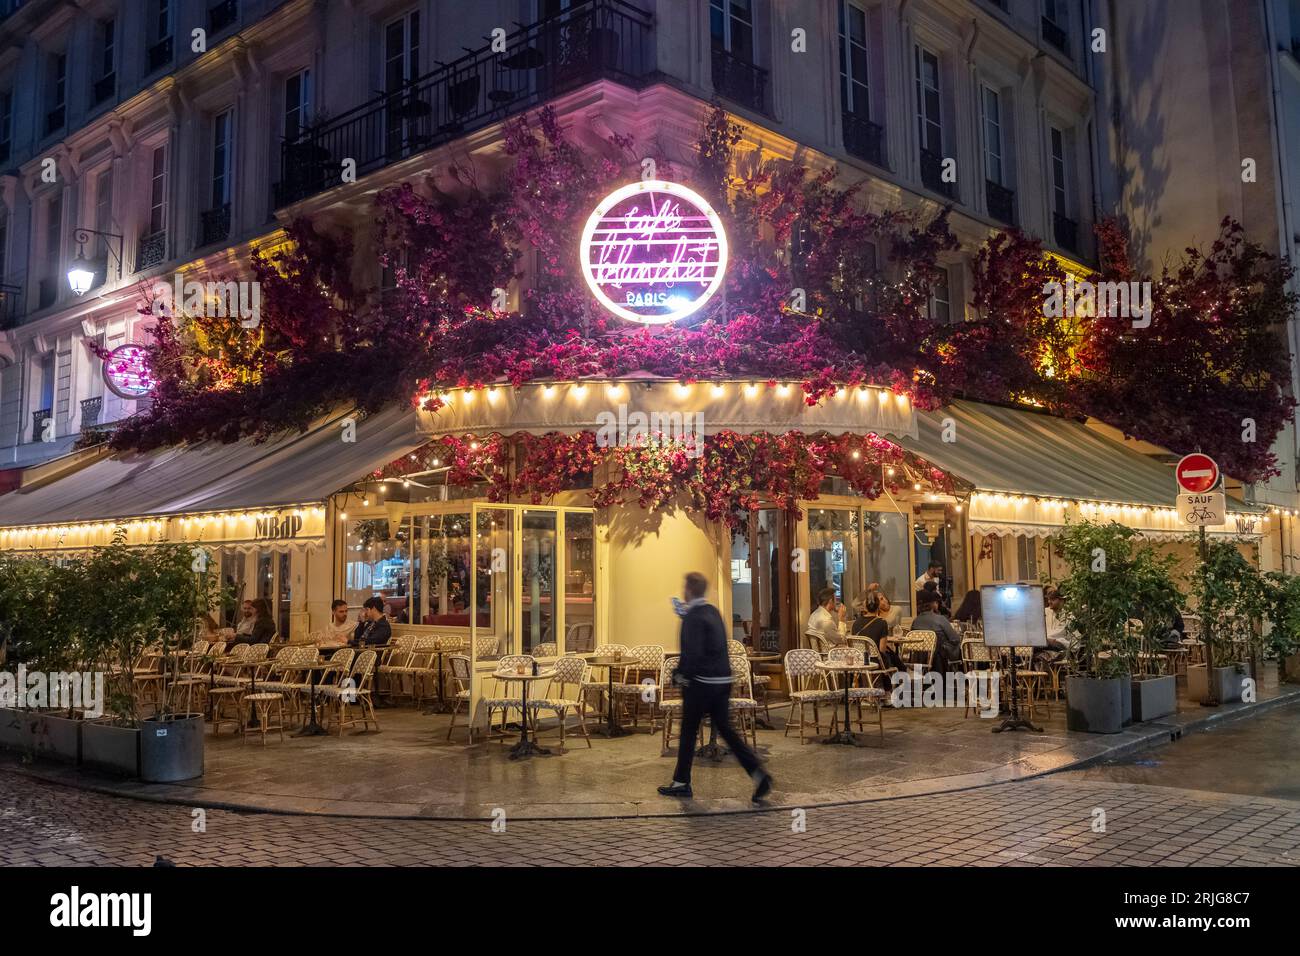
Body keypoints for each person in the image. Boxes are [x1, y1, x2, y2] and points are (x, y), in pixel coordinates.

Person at [658, 573, 772, 803]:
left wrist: (680, 675)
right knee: (728, 732)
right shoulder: (713, 612)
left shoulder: (693, 617)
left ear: (689, 590)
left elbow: (693, 652)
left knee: (689, 731)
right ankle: (759, 774)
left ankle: (681, 782)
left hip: (701, 684)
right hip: (722, 681)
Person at [912, 592, 962, 674]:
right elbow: (955, 638)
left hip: (920, 659)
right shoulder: (940, 619)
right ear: (933, 604)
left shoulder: (916, 621)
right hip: (939, 660)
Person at [852, 593, 903, 670]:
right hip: (876, 663)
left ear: (865, 608)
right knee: (896, 661)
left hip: (859, 662)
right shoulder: (882, 623)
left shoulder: (855, 623)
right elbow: (882, 650)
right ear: (878, 607)